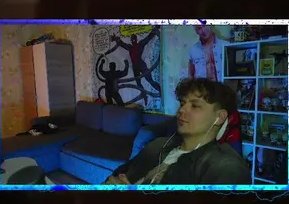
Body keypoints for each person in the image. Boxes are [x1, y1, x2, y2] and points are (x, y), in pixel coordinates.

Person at [103, 78, 250, 186]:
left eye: (195, 106)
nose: (182, 110)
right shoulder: (157, 145)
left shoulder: (226, 167)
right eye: (182, 103)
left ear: (220, 117)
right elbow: (116, 175)